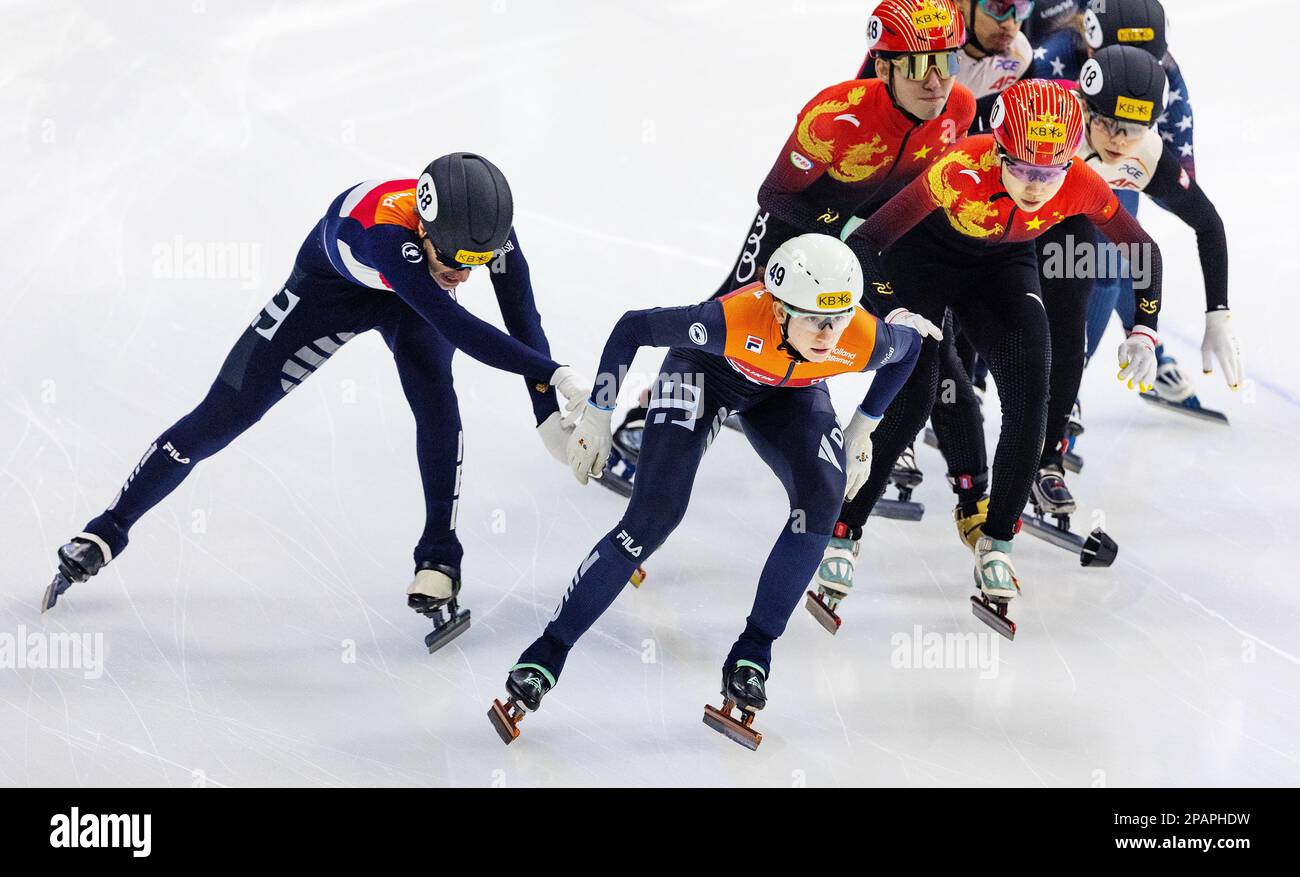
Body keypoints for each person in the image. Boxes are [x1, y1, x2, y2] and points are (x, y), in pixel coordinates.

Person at [41, 153, 591, 653]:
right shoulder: (386, 236)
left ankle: (439, 556)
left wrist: (546, 413)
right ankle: (107, 529)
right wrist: (555, 374)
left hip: (411, 300)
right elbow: (456, 322)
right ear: (423, 227)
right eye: (452, 261)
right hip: (327, 294)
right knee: (221, 416)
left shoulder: (483, 229)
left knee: (435, 400)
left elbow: (521, 315)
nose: (463, 275)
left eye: (476, 263)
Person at [487, 234, 937, 747]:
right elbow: (633, 327)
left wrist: (863, 427)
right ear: (780, 309)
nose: (829, 334)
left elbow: (909, 350)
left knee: (822, 499)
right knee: (654, 517)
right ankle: (547, 653)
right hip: (704, 373)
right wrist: (598, 412)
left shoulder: (862, 336)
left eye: (838, 318)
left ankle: (754, 652)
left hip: (790, 395)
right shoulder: (733, 319)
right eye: (815, 319)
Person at [816, 78, 1166, 639]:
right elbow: (868, 243)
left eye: (1050, 172)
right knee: (915, 394)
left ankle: (997, 542)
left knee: (1031, 395)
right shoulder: (959, 168)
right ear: (999, 151)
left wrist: (1145, 329)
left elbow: (1143, 250)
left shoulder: (1079, 182)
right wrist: (891, 307)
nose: (1035, 186)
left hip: (1002, 269)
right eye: (1022, 169)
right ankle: (844, 529)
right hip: (923, 263)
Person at [600, 0, 975, 498]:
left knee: (909, 332)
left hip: (866, 235)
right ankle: (650, 408)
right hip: (794, 222)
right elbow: (774, 195)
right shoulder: (836, 115)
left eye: (946, 61)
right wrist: (844, 227)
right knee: (726, 311)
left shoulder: (961, 108)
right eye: (916, 65)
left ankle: (880, 439)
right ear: (884, 67)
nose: (935, 81)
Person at [1031, 45, 1240, 514]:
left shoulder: (1143, 152)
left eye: (1134, 128)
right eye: (1109, 123)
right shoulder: (1048, 121)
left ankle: (1048, 458)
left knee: (1077, 313)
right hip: (1009, 214)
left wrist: (1217, 313)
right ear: (1084, 107)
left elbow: (1206, 224)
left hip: (1069, 220)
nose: (1119, 140)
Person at [1028, 0, 1207, 412]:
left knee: (1111, 261)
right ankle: (1052, 382)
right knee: (1082, 264)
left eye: (1148, 62)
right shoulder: (1053, 55)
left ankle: (1129, 354)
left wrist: (1171, 184)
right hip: (1048, 152)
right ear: (1090, 48)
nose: (1135, 71)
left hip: (1106, 151)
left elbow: (1179, 171)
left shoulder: (1164, 73)